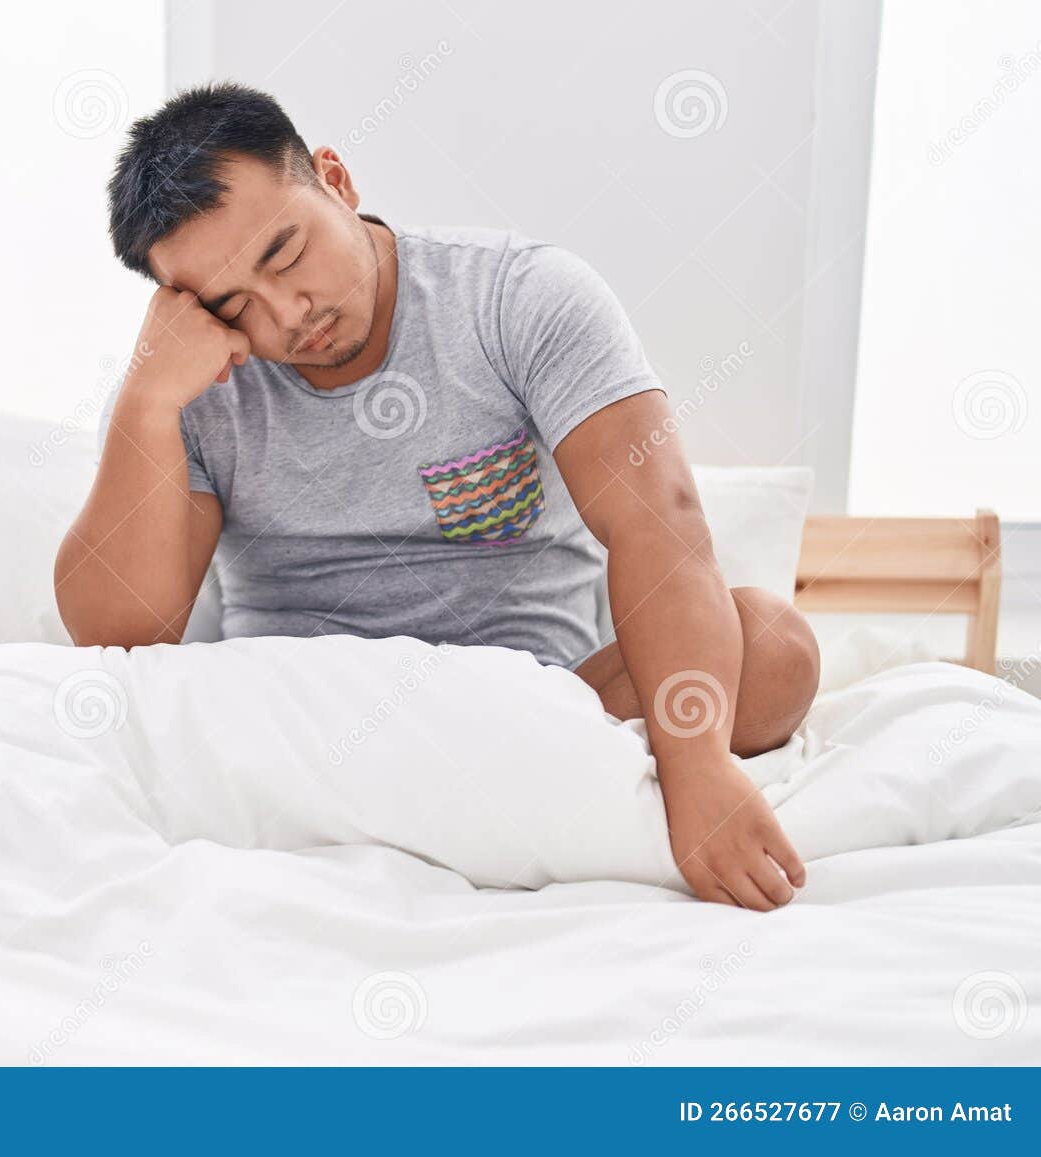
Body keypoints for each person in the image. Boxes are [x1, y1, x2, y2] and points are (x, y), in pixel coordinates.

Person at [55, 83, 820, 911]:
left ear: (335, 180)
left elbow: (659, 525)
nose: (288, 312)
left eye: (284, 253)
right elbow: (119, 634)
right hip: (308, 736)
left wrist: (698, 767)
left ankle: (462, 819)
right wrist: (145, 402)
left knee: (772, 646)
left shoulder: (519, 298)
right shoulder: (187, 387)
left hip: (525, 710)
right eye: (232, 304)